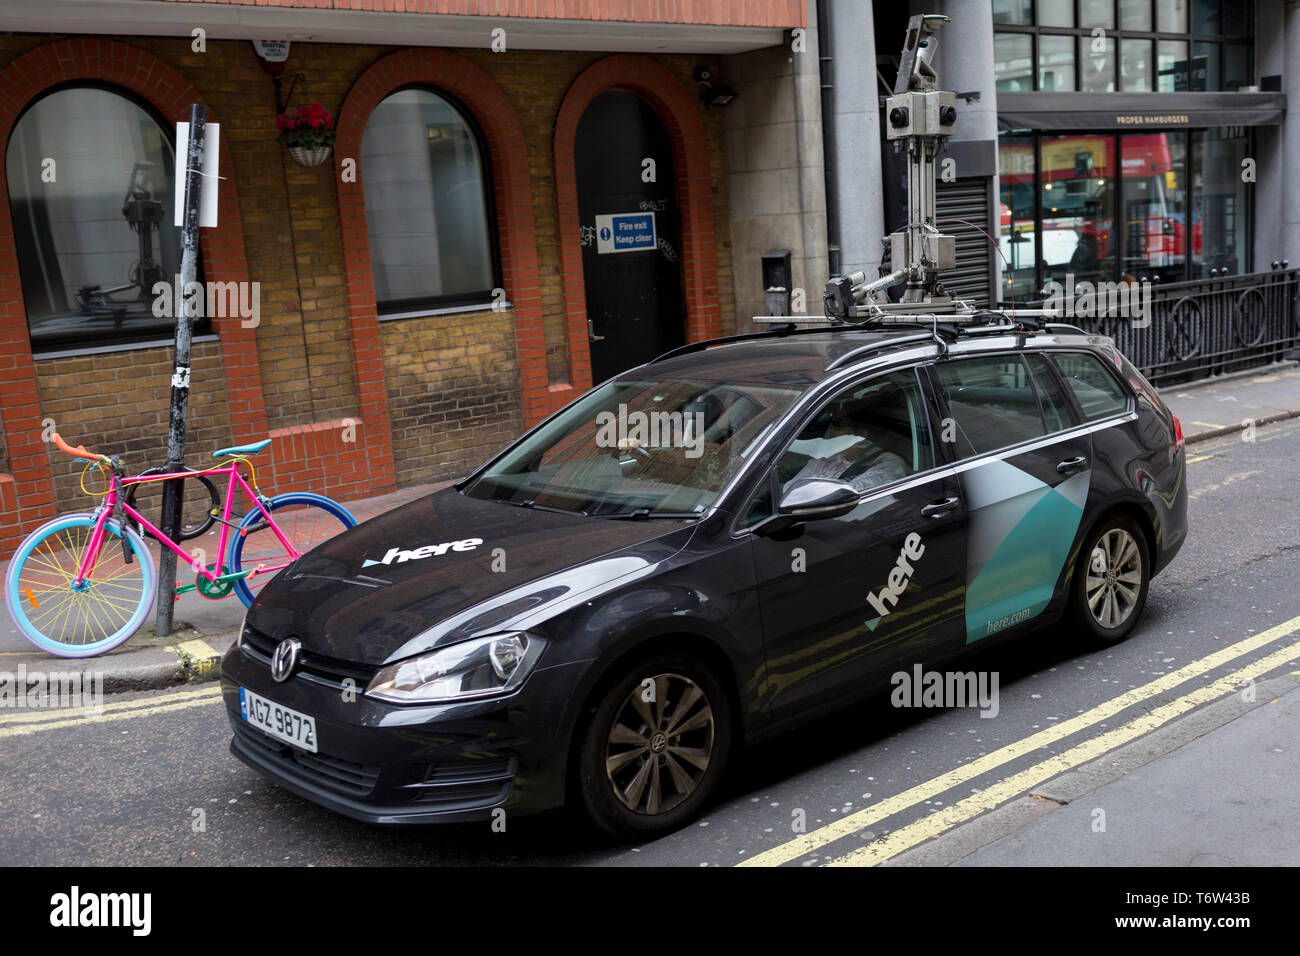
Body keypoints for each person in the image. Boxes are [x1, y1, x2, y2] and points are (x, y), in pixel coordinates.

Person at [786, 399, 909, 494]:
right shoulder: (829, 459)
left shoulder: (887, 465)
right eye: (832, 423)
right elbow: (789, 489)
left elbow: (843, 496)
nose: (831, 430)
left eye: (838, 424)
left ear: (861, 434)